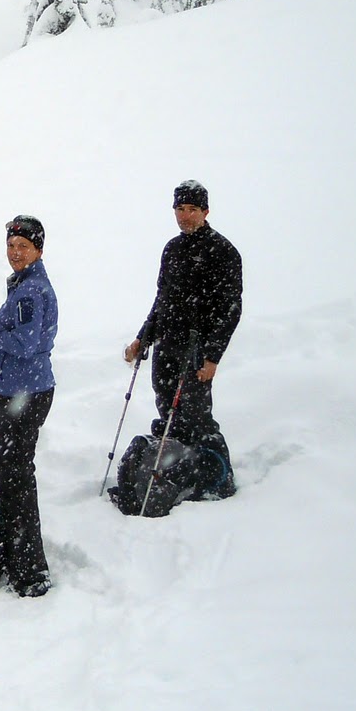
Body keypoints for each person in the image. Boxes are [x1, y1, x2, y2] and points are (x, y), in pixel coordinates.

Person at [123, 180, 242, 496]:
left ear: (206, 212)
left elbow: (230, 309)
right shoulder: (172, 249)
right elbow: (162, 300)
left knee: (197, 417)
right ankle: (184, 471)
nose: (185, 216)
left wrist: (212, 355)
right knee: (169, 413)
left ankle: (218, 481)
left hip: (197, 348)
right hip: (167, 344)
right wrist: (142, 339)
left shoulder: (223, 252)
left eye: (192, 209)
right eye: (180, 209)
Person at [0, 215, 58, 598]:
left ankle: (30, 572)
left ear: (39, 250)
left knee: (16, 481)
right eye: (11, 245)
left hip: (23, 395)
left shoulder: (31, 291)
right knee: (11, 480)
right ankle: (15, 558)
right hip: (20, 391)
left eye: (23, 246)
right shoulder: (25, 284)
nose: (15, 253)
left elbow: (25, 343)